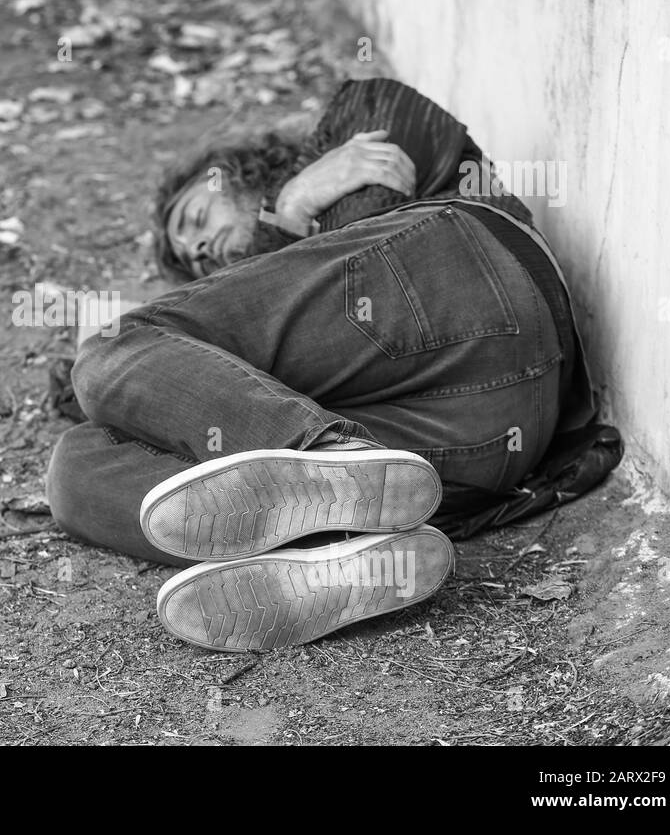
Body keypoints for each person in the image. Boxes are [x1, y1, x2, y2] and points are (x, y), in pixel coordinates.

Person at [45, 78, 622, 653]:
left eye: (195, 218)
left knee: (111, 344)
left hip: (469, 279)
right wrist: (288, 212)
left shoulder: (357, 110)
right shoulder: (264, 300)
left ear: (229, 170)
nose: (200, 249)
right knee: (74, 471)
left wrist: (287, 206)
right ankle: (327, 554)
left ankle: (323, 471)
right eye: (192, 260)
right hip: (477, 444)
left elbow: (375, 200)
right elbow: (153, 395)